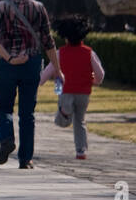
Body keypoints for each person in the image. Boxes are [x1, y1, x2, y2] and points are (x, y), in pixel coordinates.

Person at [0, 0, 59, 169]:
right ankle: (25, 159)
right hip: (32, 63)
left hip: (7, 64)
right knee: (28, 113)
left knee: (3, 107)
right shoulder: (38, 7)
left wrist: (9, 57)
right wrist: (57, 68)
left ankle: (7, 138)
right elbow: (48, 41)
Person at [39, 15, 105, 160]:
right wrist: (94, 81)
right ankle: (81, 151)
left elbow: (47, 72)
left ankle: (64, 111)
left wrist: (39, 82)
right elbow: (100, 74)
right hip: (84, 92)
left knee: (61, 121)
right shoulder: (89, 52)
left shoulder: (60, 53)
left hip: (67, 90)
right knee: (80, 121)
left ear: (65, 36)